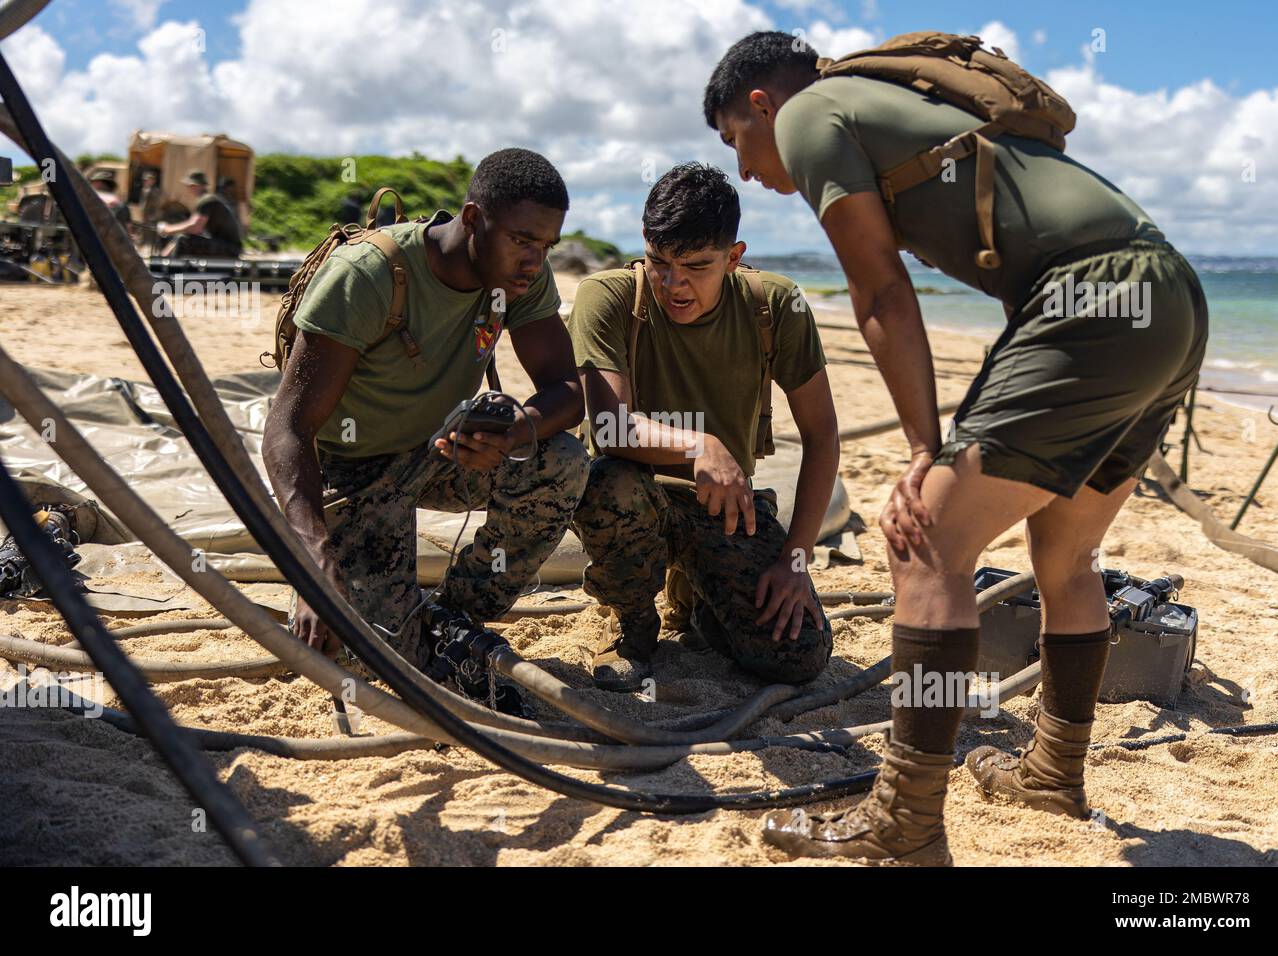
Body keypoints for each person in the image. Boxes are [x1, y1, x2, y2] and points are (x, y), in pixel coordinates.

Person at [704, 31, 1208, 863]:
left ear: (761, 104)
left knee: (926, 540)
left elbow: (878, 291)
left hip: (1092, 297)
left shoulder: (809, 113)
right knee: (1069, 557)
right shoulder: (894, 104)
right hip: (1170, 294)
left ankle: (903, 823)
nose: (748, 170)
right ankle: (1052, 773)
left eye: (735, 142)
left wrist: (920, 450)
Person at [262, 148, 587, 714]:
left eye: (546, 245)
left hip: (443, 450)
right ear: (471, 219)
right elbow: (288, 428)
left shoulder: (521, 277)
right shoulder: (368, 277)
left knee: (562, 461)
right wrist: (312, 560)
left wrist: (510, 435)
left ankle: (456, 609)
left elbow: (567, 390)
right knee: (370, 655)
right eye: (522, 240)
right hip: (351, 471)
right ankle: (403, 621)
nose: (534, 260)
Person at [566, 162, 837, 692]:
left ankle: (697, 603)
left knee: (798, 656)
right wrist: (698, 444)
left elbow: (823, 436)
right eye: (659, 261)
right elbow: (609, 428)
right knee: (606, 481)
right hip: (636, 495)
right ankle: (632, 625)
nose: (674, 283)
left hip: (725, 505)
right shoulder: (610, 297)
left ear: (734, 257)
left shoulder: (774, 304)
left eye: (696, 265)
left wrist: (796, 559)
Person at [157, 169, 242, 258]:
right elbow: (195, 229)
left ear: (195, 185)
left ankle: (172, 269)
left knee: (183, 241)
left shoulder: (207, 200)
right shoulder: (206, 199)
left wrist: (167, 229)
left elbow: (195, 227)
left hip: (230, 248)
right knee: (182, 237)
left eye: (189, 185)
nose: (188, 188)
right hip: (226, 246)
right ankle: (163, 260)